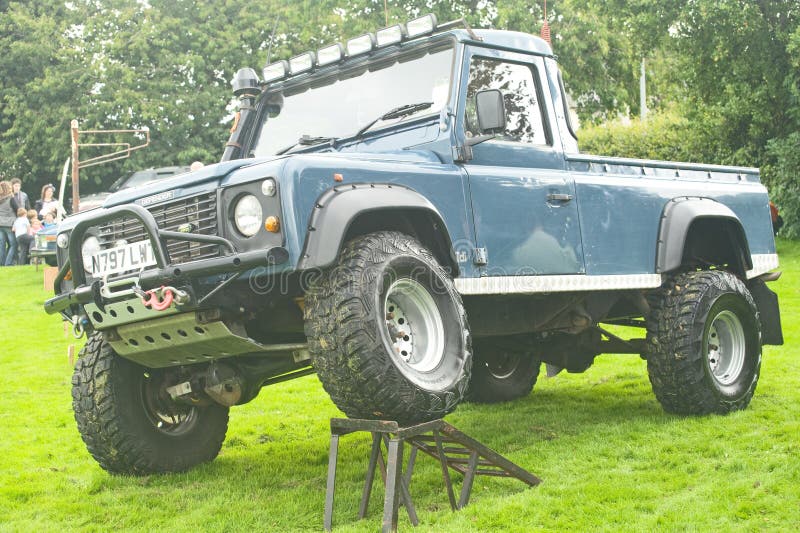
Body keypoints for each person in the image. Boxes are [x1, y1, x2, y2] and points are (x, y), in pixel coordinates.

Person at [0, 181, 19, 266]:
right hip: (10, 224)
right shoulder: (11, 198)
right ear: (8, 188)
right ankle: (8, 263)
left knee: (2, 245)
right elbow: (18, 210)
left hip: (0, 225)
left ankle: (2, 263)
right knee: (13, 244)